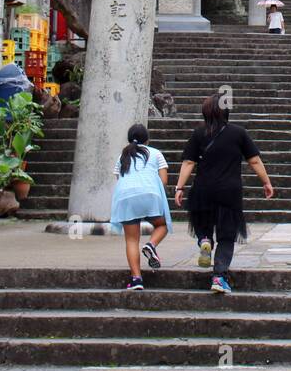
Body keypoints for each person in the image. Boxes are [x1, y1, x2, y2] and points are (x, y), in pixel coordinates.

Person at [174, 93, 273, 294]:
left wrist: (179, 187)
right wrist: (266, 182)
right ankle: (219, 277)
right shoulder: (238, 133)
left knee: (203, 224)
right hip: (229, 191)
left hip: (202, 189)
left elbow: (189, 162)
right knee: (227, 236)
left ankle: (204, 240)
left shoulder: (198, 134)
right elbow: (254, 160)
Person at [110, 123, 172, 292]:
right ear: (147, 139)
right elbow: (163, 181)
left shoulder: (122, 156)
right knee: (162, 225)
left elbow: (120, 178)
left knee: (131, 240)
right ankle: (151, 245)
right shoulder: (156, 153)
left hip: (125, 196)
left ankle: (136, 278)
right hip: (150, 192)